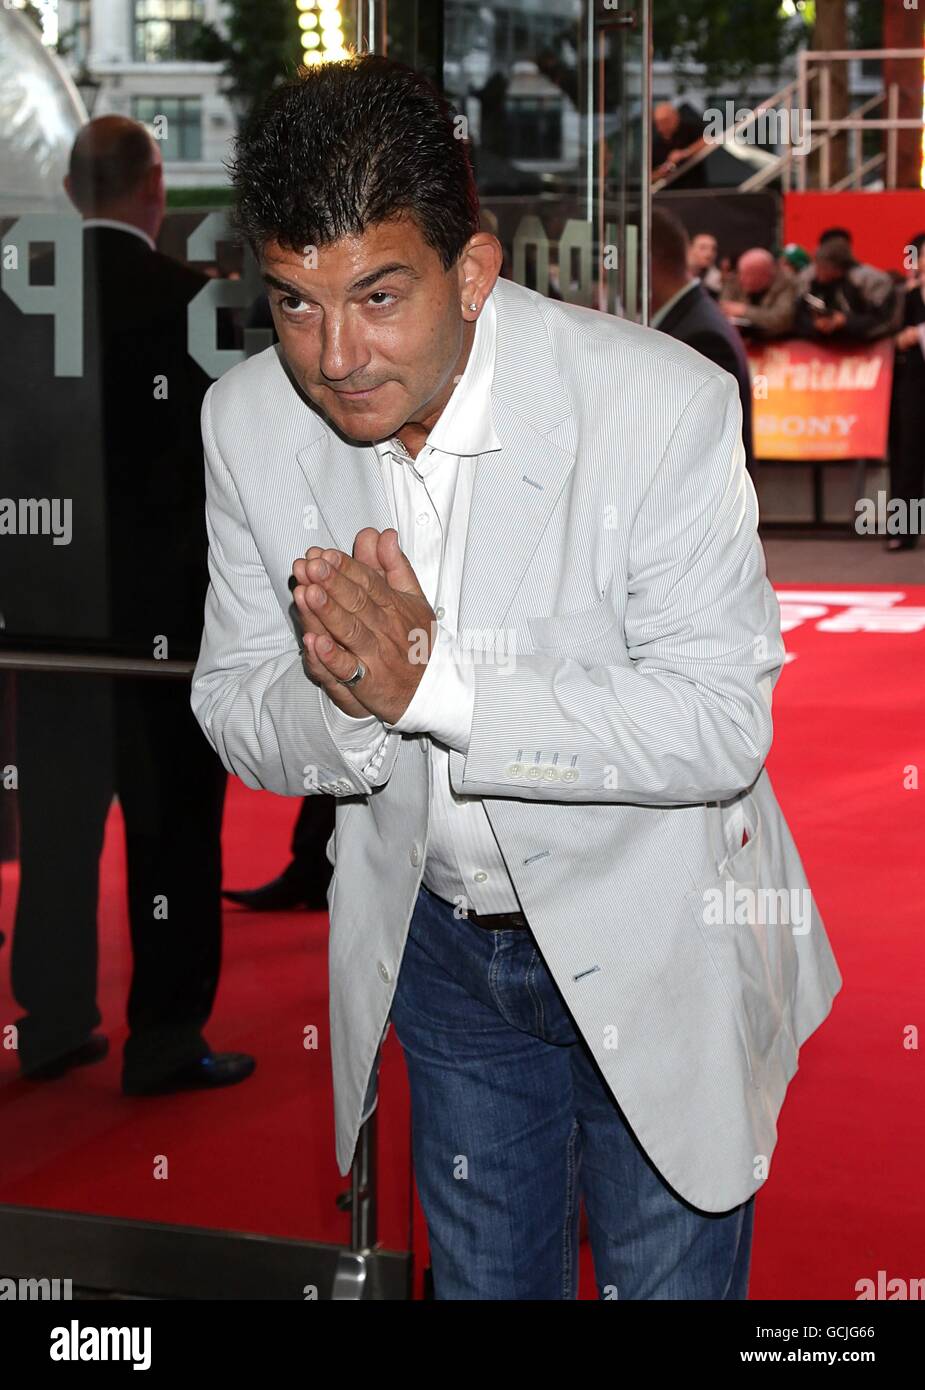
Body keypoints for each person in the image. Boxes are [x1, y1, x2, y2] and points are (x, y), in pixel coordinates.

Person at [191, 56, 842, 1300]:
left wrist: (434, 684)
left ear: (473, 273)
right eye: (291, 304)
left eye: (378, 296)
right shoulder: (247, 424)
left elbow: (716, 723)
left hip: (662, 936)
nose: (333, 356)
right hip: (441, 955)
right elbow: (230, 701)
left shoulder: (655, 407)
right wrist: (346, 699)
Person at [1, 117, 254, 1094]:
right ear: (155, 187)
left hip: (53, 627)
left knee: (59, 829)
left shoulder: (20, 315)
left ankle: (56, 1017)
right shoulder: (197, 307)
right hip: (168, 632)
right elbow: (235, 478)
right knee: (174, 834)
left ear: (70, 189)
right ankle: (165, 1034)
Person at [650, 208, 755, 473]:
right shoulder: (694, 319)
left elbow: (691, 453)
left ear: (647, 260)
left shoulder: (701, 336)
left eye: (614, 260)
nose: (606, 276)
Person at [886, 231, 925, 551]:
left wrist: (918, 333)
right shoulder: (906, 296)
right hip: (913, 385)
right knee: (909, 456)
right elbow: (889, 335)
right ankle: (903, 530)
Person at [793, 234, 898, 342]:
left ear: (837, 269)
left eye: (822, 268)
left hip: (867, 346)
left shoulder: (868, 282)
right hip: (826, 348)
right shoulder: (813, 281)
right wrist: (815, 325)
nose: (816, 272)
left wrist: (846, 322)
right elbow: (799, 315)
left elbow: (882, 321)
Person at [720, 246, 797, 339]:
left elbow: (781, 320)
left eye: (748, 275)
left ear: (765, 275)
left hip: (774, 340)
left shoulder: (786, 283)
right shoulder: (733, 280)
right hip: (739, 340)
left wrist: (744, 310)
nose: (741, 279)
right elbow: (724, 309)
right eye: (740, 273)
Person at [651, 102, 708, 187]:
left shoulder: (689, 129)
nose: (661, 126)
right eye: (658, 122)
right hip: (667, 192)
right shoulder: (654, 144)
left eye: (665, 121)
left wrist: (685, 153)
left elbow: (708, 139)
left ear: (675, 117)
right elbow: (649, 176)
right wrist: (662, 171)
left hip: (694, 188)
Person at [687, 231, 723, 298]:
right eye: (703, 248)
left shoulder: (719, 280)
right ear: (690, 250)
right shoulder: (678, 275)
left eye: (713, 249)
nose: (709, 254)